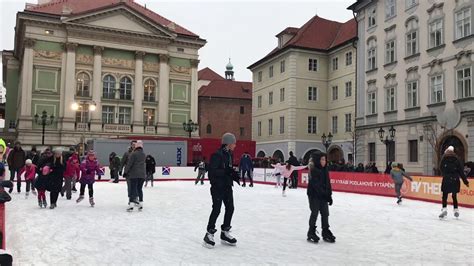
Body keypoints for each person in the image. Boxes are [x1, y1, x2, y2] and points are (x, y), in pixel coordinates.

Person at [203, 133, 241, 248]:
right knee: (217, 209)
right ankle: (209, 233)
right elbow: (212, 172)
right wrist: (226, 172)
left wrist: (233, 174)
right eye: (234, 143)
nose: (235, 145)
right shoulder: (216, 155)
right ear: (228, 143)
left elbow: (227, 169)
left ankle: (225, 232)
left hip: (227, 186)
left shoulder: (229, 154)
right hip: (217, 187)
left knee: (230, 208)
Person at [306, 151, 335, 243]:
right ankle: (311, 231)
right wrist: (324, 194)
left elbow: (328, 183)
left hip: (323, 195)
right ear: (317, 160)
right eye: (322, 159)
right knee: (315, 213)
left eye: (325, 159)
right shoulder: (313, 170)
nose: (324, 161)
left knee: (325, 213)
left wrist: (329, 195)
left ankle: (325, 231)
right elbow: (316, 185)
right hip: (314, 195)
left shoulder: (325, 170)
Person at [438, 146, 469, 219]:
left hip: (446, 179)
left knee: (445, 196)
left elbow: (441, 168)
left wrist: (445, 173)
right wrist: (466, 182)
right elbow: (461, 171)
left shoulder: (444, 158)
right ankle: (456, 210)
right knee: (454, 196)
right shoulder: (457, 159)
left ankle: (444, 209)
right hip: (455, 179)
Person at [124, 140, 146, 211]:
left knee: (133, 189)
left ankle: (131, 205)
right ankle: (141, 204)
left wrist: (125, 172)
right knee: (139, 189)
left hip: (134, 174)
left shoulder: (133, 154)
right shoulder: (143, 154)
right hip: (142, 175)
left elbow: (129, 164)